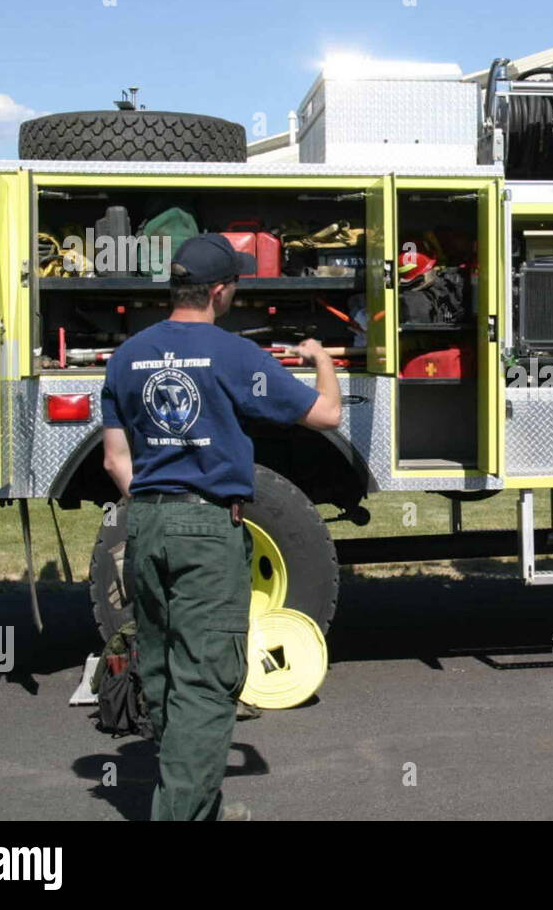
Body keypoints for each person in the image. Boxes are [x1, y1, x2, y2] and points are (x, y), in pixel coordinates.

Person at [101, 233, 342, 821]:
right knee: (208, 684)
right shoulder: (234, 354)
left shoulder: (127, 356)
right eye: (234, 281)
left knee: (159, 669)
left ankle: (187, 793)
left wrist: (161, 506)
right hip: (207, 530)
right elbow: (327, 414)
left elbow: (114, 461)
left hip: (146, 523)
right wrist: (323, 363)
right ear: (218, 290)